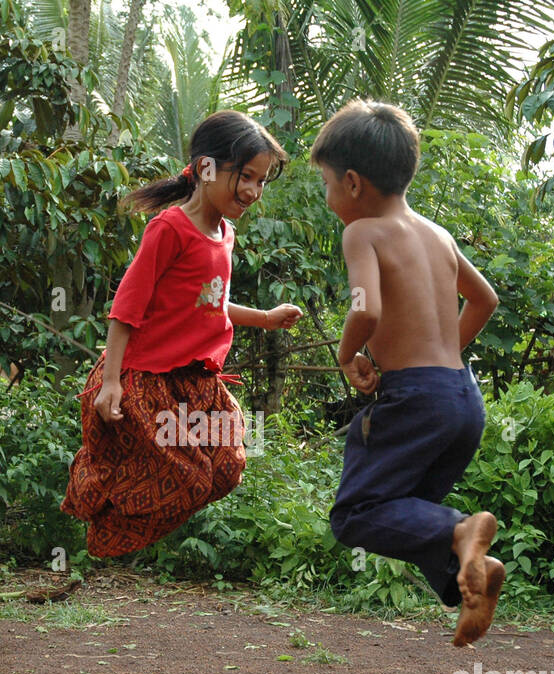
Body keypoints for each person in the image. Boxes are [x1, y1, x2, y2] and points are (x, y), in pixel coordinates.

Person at [62, 110, 303, 557]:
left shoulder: (225, 233)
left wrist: (265, 318)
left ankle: (115, 486)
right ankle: (98, 491)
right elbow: (126, 308)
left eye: (262, 181)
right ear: (207, 168)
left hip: (196, 384)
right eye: (245, 176)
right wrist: (111, 380)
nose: (253, 191)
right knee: (188, 479)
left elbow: (207, 305)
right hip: (146, 379)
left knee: (228, 466)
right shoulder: (168, 228)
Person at [312, 100, 504, 646]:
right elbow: (485, 299)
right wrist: (441, 359)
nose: (329, 199)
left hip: (414, 400)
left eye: (327, 184)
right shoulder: (437, 234)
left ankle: (462, 530)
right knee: (406, 513)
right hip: (462, 399)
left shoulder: (364, 234)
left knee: (357, 513)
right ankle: (471, 582)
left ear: (351, 182)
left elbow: (365, 309)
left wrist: (348, 356)